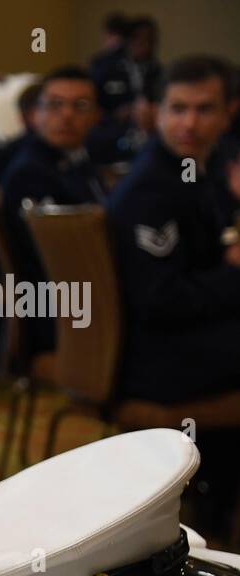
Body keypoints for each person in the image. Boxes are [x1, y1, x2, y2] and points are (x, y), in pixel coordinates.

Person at [108, 56, 240, 404]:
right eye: (178, 109)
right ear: (158, 113)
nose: (190, 123)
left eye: (205, 109)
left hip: (194, 333)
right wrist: (233, 271)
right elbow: (160, 301)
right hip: (158, 357)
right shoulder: (151, 188)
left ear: (229, 113)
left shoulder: (199, 168)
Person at [0, 67, 105, 292]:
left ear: (97, 115)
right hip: (53, 299)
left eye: (80, 106)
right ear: (37, 113)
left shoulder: (80, 159)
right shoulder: (30, 172)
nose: (67, 115)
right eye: (55, 104)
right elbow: (59, 254)